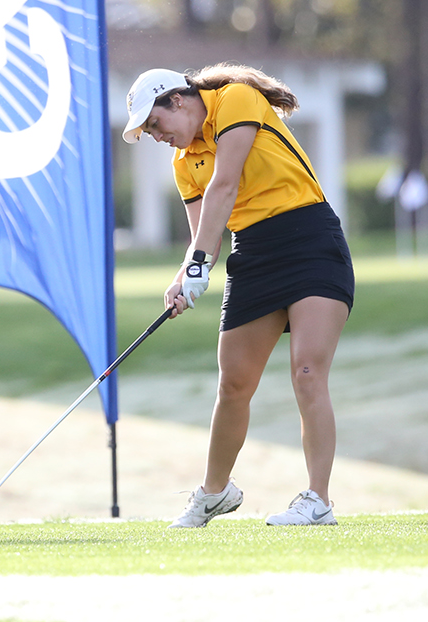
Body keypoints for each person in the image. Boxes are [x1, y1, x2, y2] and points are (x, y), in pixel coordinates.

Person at [122, 63, 355, 527]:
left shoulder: (235, 99)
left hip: (309, 239)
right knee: (233, 384)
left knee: (307, 370)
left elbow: (225, 186)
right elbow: (201, 237)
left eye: (155, 123)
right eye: (147, 131)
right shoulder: (184, 163)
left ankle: (318, 501)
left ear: (179, 100)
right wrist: (184, 275)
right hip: (254, 257)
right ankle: (214, 493)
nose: (155, 135)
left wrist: (199, 263)